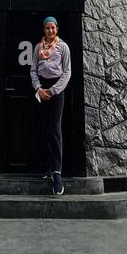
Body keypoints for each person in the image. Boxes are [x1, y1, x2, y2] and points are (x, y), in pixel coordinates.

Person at [30, 16, 71, 196]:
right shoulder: (38, 47)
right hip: (42, 88)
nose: (50, 31)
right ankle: (46, 166)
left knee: (55, 129)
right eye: (48, 28)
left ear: (57, 29)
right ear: (44, 30)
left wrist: (53, 91)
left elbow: (67, 71)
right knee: (44, 128)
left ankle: (57, 173)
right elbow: (33, 69)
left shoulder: (63, 47)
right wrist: (39, 88)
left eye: (53, 28)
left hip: (56, 88)